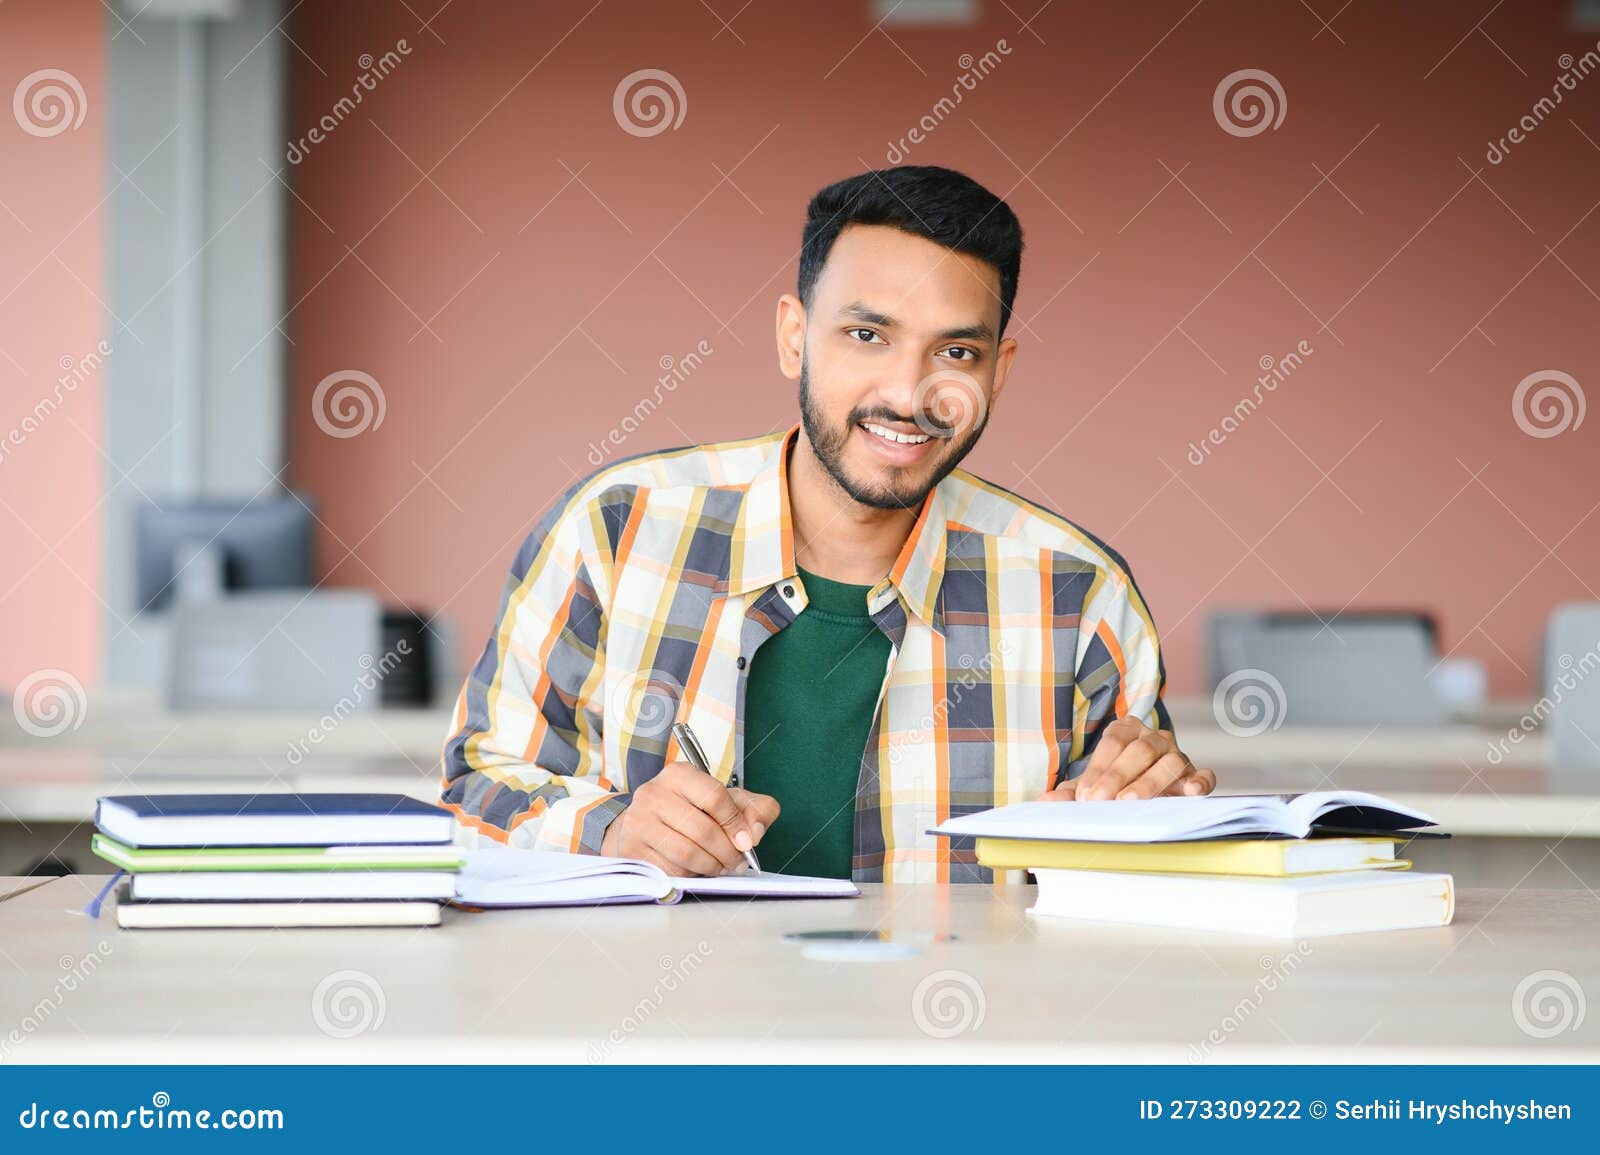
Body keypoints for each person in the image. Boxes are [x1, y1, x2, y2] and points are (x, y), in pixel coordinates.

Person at [439, 165, 1215, 882]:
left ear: (997, 373)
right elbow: (475, 790)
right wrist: (609, 832)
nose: (909, 394)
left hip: (964, 1028)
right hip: (657, 1029)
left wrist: (1158, 815)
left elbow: (1139, 888)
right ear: (793, 335)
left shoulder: (1081, 594)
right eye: (867, 335)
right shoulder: (613, 528)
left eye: (955, 351)